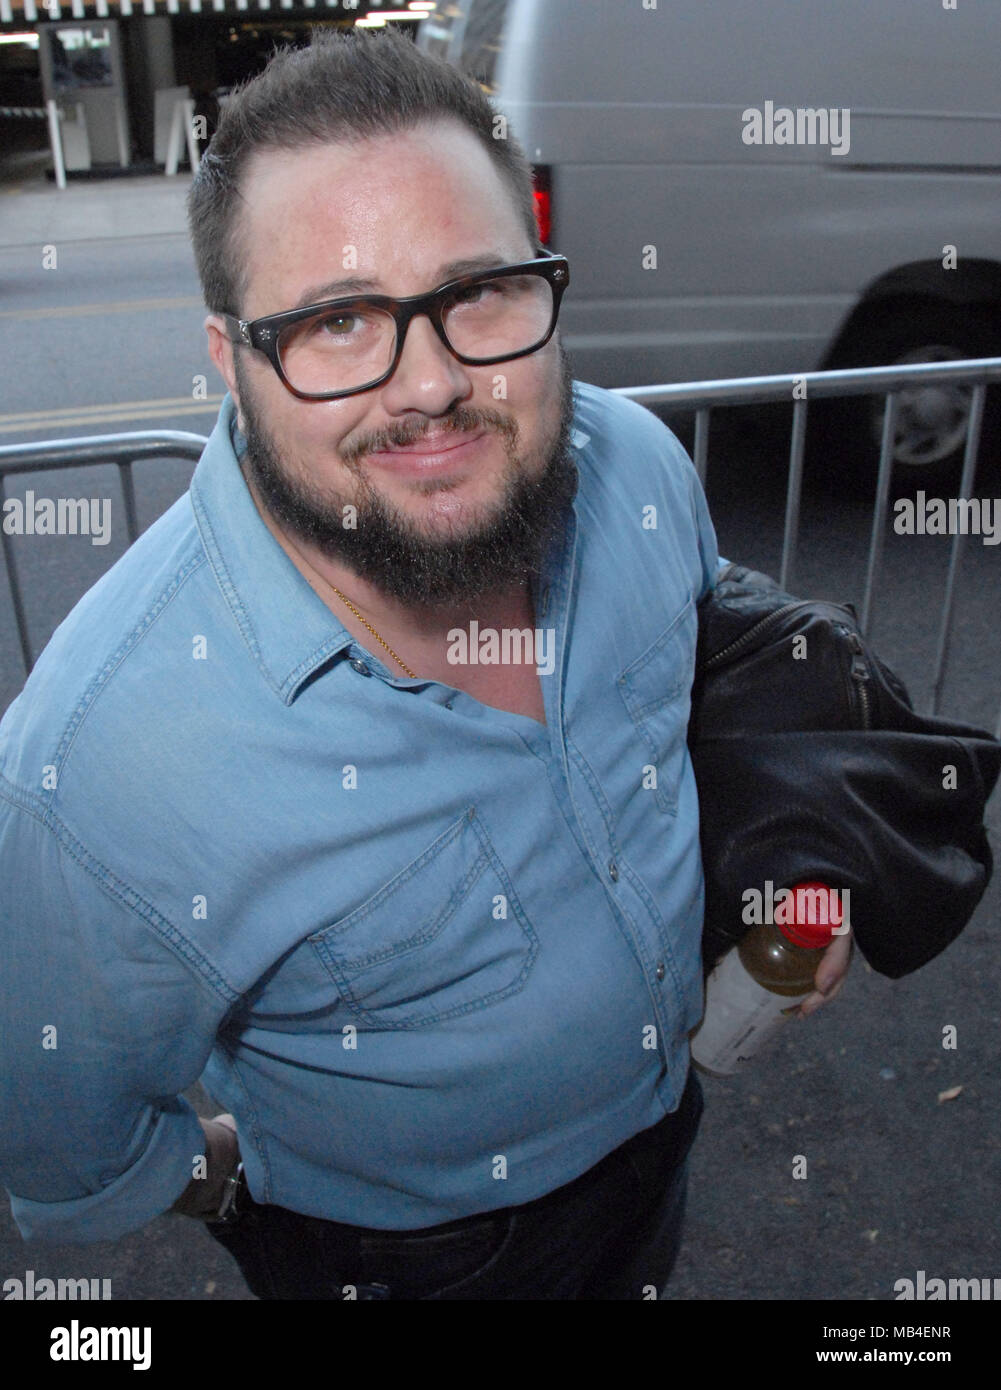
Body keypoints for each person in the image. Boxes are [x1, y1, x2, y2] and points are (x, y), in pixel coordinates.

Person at [0, 30, 850, 1300]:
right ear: (231, 363)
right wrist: (243, 1187)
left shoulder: (638, 476)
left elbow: (692, 708)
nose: (437, 382)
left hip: (661, 1145)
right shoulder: (101, 776)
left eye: (479, 292)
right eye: (338, 321)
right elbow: (58, 1138)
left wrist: (781, 853)